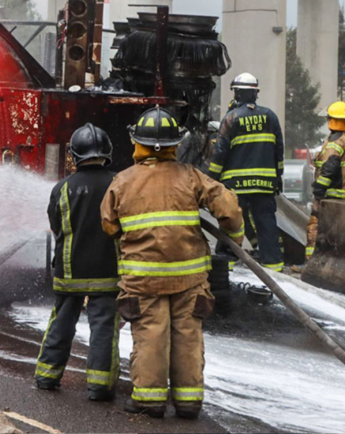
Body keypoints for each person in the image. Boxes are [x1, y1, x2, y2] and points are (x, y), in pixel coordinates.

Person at [101, 106, 244, 420]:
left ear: (136, 142)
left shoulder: (122, 181)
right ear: (174, 145)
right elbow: (229, 209)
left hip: (143, 279)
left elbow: (109, 225)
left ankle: (150, 400)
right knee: (187, 335)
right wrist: (237, 235)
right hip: (189, 278)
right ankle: (188, 402)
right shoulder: (191, 176)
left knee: (151, 334)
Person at [34, 124, 120, 401]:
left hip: (69, 271)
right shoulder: (119, 184)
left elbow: (56, 226)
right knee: (104, 327)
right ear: (106, 152)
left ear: (74, 154)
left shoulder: (62, 188)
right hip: (108, 272)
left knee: (61, 322)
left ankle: (47, 377)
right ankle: (99, 386)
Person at [207, 73, 285, 272]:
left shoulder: (231, 118)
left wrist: (211, 180)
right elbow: (279, 150)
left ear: (238, 93)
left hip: (236, 185)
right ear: (255, 93)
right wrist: (278, 177)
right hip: (265, 184)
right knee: (266, 222)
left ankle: (227, 263)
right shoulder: (271, 116)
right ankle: (274, 265)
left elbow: (220, 153)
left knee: (231, 221)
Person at [306, 102, 345, 260]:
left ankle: (311, 263)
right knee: (338, 234)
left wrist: (318, 193)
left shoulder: (336, 141)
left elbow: (329, 167)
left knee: (315, 227)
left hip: (331, 196)